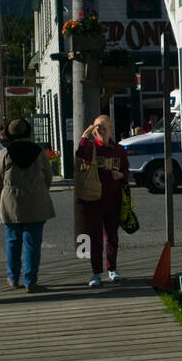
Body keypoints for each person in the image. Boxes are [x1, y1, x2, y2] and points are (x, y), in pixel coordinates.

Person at [0, 118, 55, 294]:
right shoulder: (39, 151)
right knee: (33, 243)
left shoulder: (5, 153)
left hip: (11, 201)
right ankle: (30, 280)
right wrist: (42, 190)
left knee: (12, 241)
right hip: (35, 200)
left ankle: (13, 278)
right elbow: (48, 176)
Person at [75, 113, 129, 286]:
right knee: (95, 237)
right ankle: (96, 273)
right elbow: (80, 153)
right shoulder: (91, 146)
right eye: (97, 128)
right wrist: (85, 136)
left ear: (111, 129)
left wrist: (120, 174)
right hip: (93, 200)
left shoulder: (118, 150)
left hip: (113, 199)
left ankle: (112, 269)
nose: (100, 131)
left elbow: (127, 173)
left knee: (112, 237)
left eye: (104, 128)